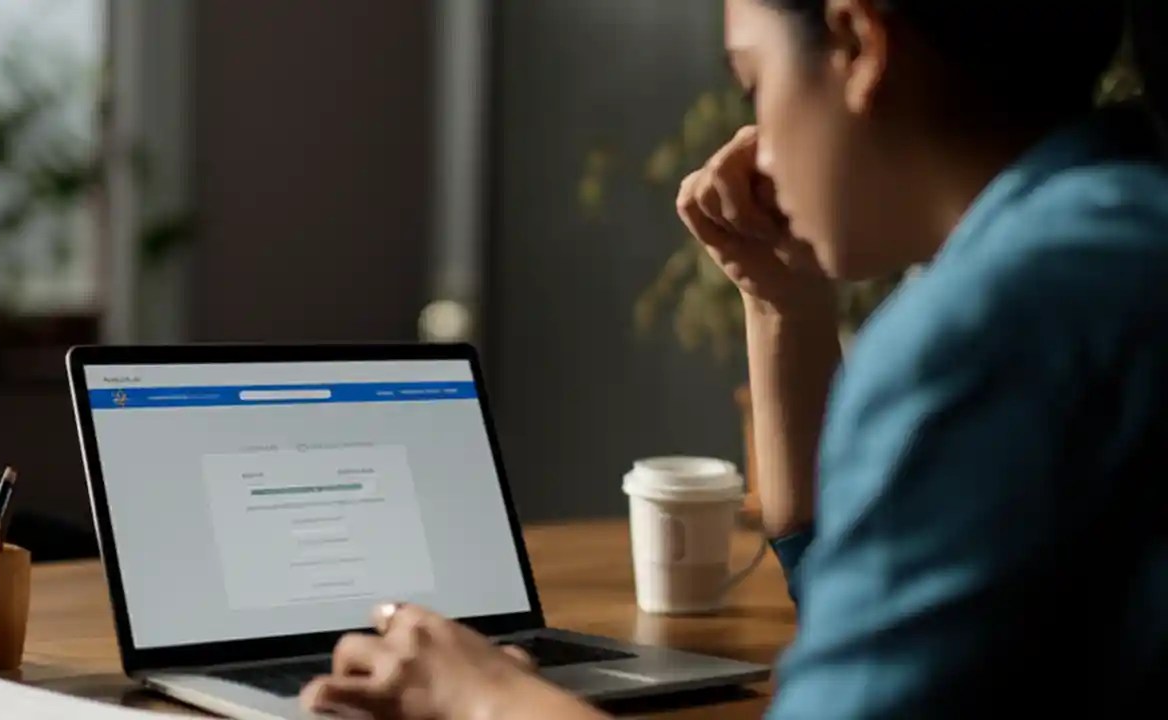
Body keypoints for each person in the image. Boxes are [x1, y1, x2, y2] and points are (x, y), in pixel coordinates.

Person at [299, 0, 1168, 717]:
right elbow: (862, 595)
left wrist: (484, 697)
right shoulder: (1118, 218)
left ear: (859, 47)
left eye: (753, 81)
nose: (754, 140)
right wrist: (780, 298)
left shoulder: (993, 322)